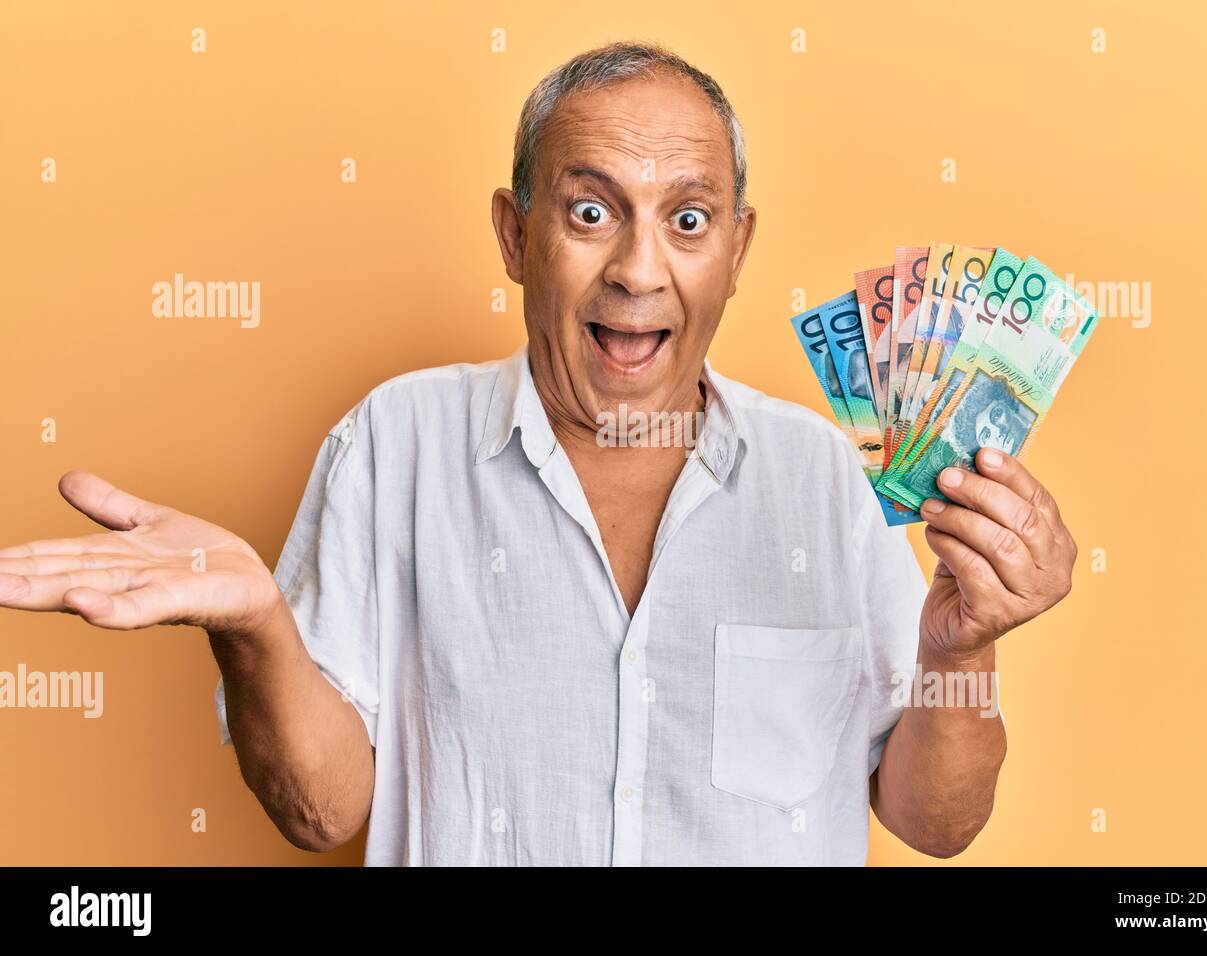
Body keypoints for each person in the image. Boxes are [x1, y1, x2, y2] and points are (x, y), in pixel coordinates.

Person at [0, 41, 1077, 866]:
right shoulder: (395, 443)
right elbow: (321, 812)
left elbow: (935, 823)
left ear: (738, 250)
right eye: (592, 210)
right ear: (516, 236)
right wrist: (256, 626)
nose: (638, 270)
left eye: (689, 219)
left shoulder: (824, 482)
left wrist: (960, 652)